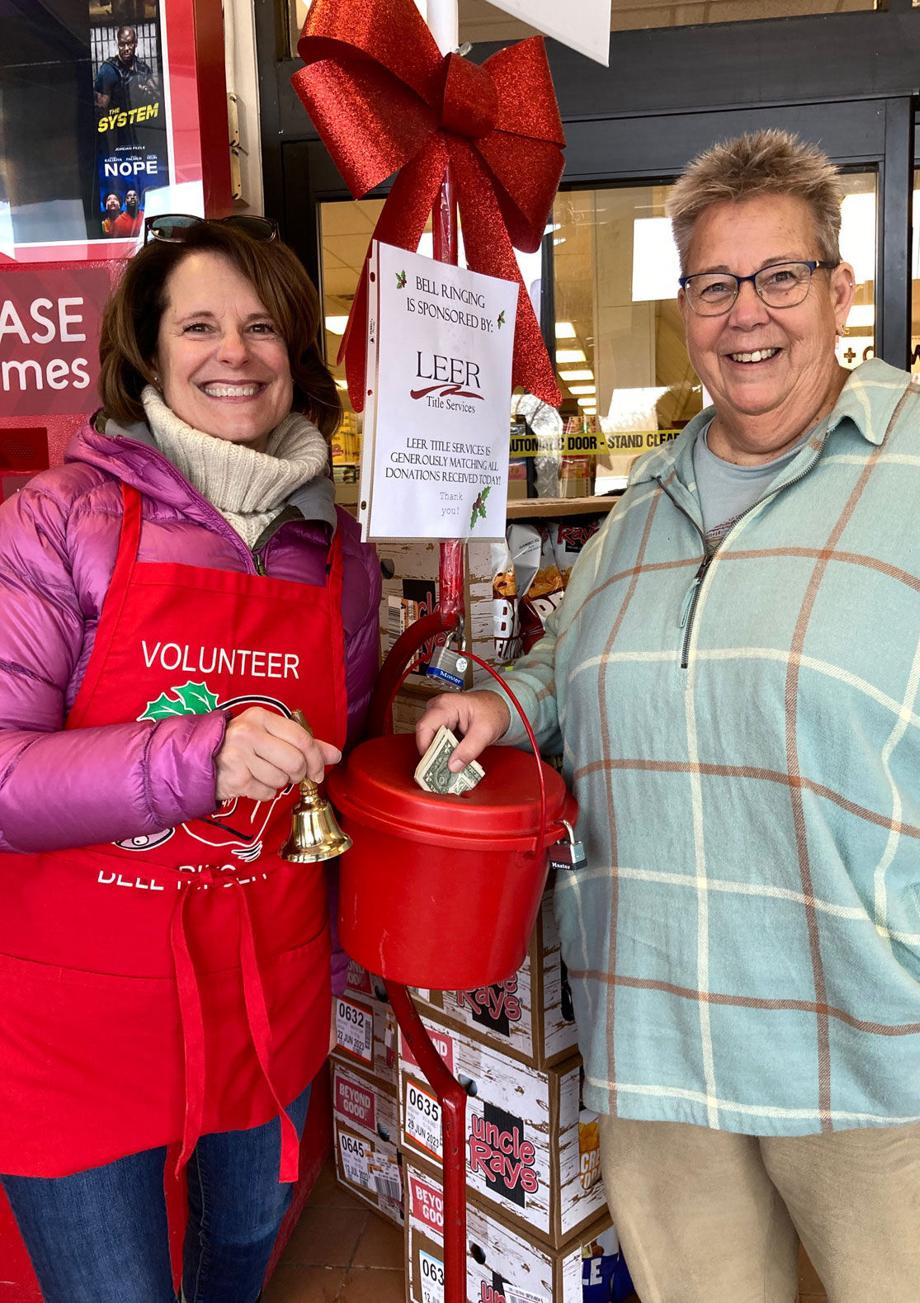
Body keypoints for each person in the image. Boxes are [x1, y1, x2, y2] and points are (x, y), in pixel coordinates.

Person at [418, 129, 920, 1303]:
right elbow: (575, 676)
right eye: (715, 285)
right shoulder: (638, 509)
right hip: (659, 1047)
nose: (748, 314)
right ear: (685, 308)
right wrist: (497, 704)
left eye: (780, 276)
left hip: (881, 1047)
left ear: (841, 289)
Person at [0, 214, 381, 1303]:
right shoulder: (55, 521)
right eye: (200, 324)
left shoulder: (333, 561)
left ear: (295, 354)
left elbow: (333, 784)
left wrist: (345, 953)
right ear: (150, 350)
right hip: (73, 1012)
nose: (235, 352)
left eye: (263, 326)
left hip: (264, 995)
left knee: (244, 1247)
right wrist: (196, 757)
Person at [94, 25, 159, 115]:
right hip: (117, 122)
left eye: (130, 43)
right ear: (117, 44)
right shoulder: (109, 70)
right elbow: (101, 107)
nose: (126, 48)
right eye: (122, 44)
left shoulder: (142, 68)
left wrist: (146, 95)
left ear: (135, 43)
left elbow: (157, 97)